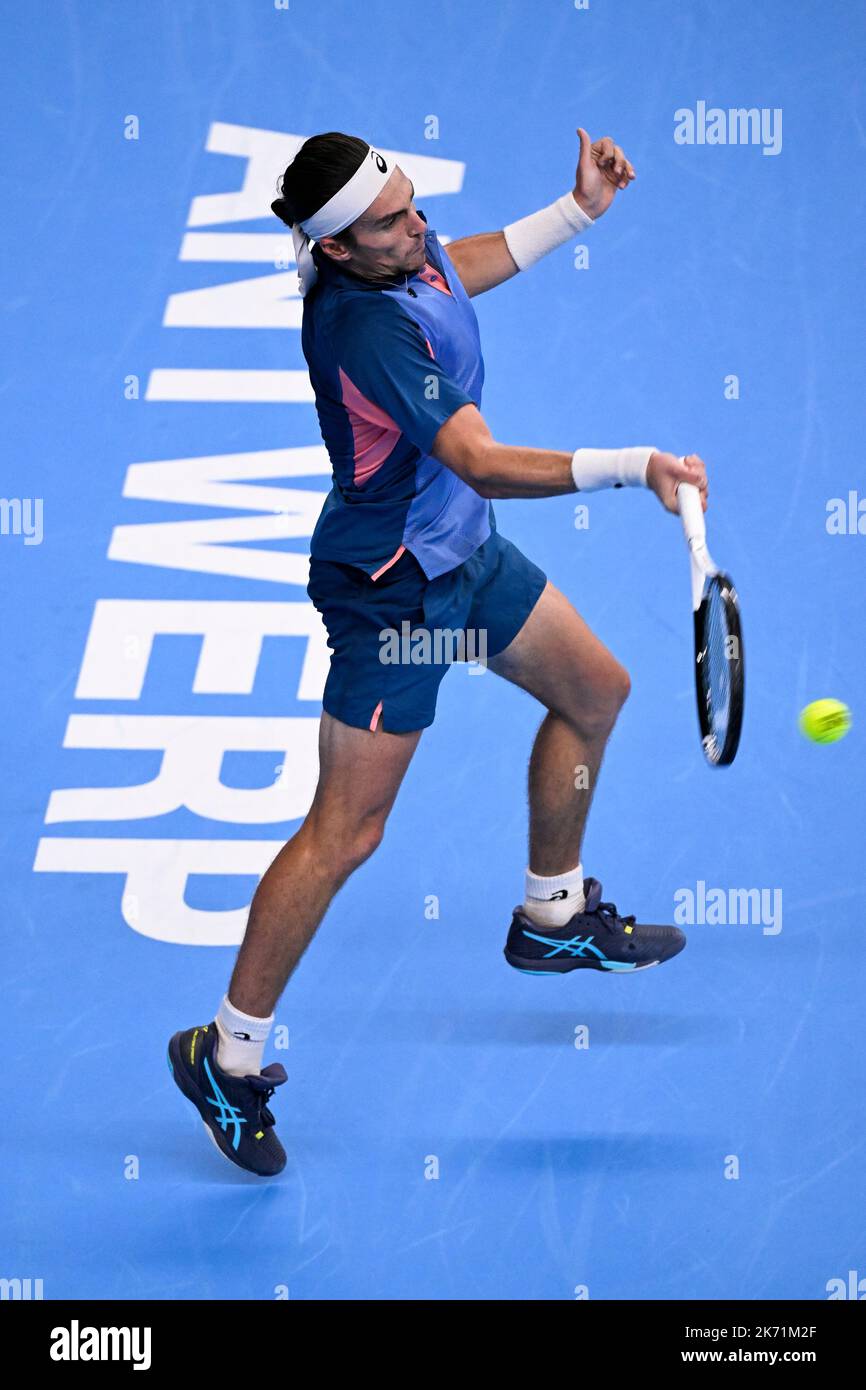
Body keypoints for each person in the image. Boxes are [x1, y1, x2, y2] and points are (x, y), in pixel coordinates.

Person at [168, 127, 709, 1177]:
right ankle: (223, 1056)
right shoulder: (361, 328)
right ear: (335, 249)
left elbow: (465, 261)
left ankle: (552, 914)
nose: (418, 228)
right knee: (346, 833)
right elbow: (481, 461)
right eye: (391, 223)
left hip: (463, 556)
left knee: (593, 691)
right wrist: (632, 463)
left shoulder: (404, 252)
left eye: (413, 205)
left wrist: (576, 211)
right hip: (393, 596)